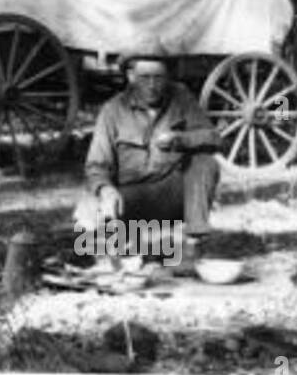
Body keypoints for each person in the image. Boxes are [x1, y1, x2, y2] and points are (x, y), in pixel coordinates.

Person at [76, 53, 221, 265]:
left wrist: (180, 140)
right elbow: (96, 165)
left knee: (205, 162)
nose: (152, 85)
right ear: (131, 76)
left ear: (168, 77)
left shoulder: (181, 98)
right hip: (129, 197)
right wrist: (106, 190)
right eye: (145, 77)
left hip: (171, 193)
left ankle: (193, 242)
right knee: (89, 228)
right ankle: (144, 246)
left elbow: (213, 138)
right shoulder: (113, 110)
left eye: (158, 77)